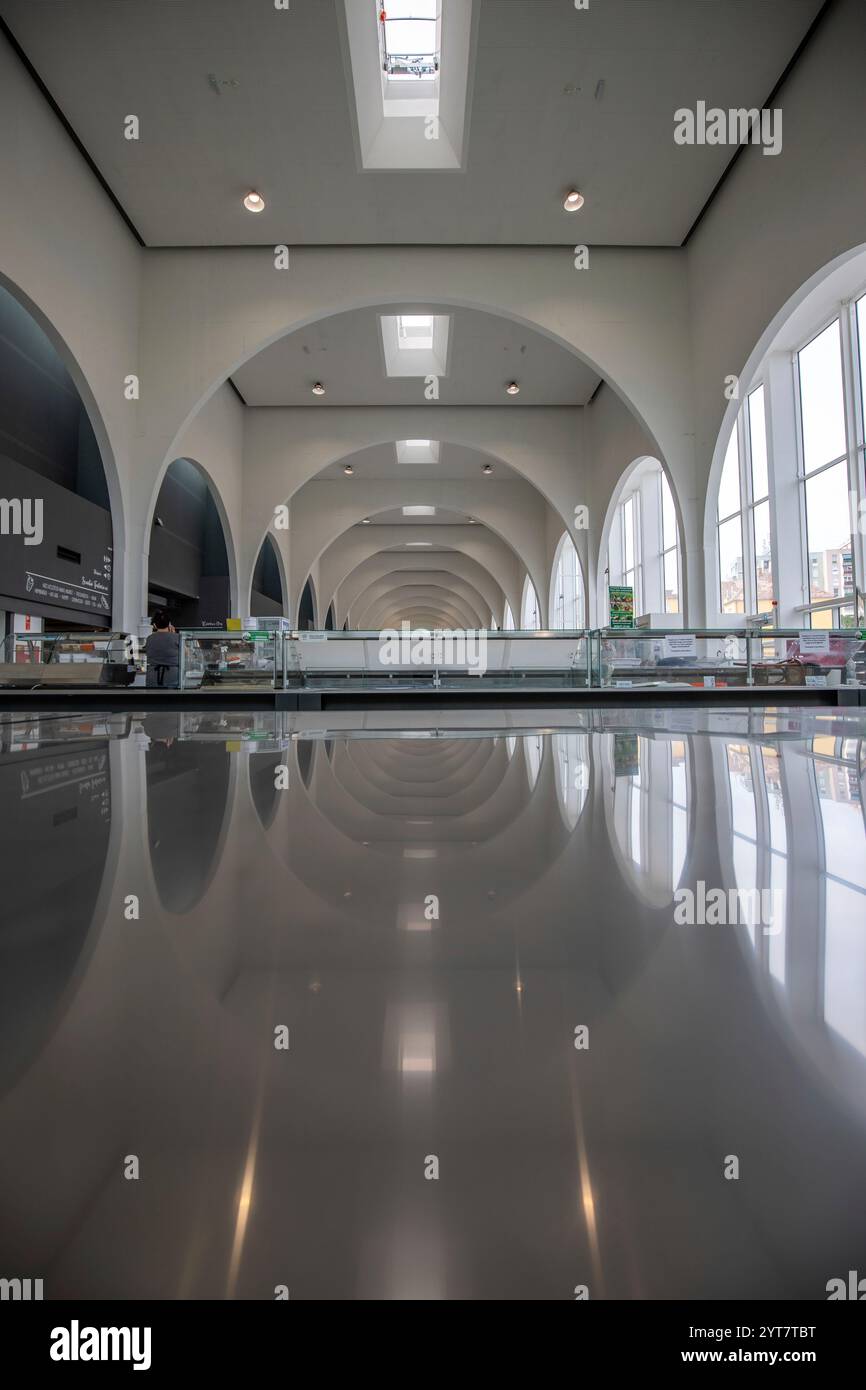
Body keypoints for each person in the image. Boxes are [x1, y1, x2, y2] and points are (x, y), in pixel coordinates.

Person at [144, 611, 180, 689]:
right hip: (172, 676)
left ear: (154, 625)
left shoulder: (149, 638)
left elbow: (148, 653)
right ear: (169, 624)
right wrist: (173, 633)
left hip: (152, 676)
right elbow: (186, 654)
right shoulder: (177, 637)